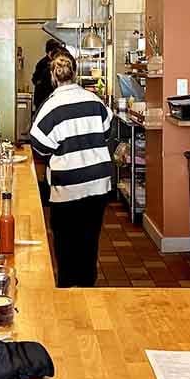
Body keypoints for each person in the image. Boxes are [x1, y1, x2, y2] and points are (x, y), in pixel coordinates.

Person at [29, 51, 113, 287]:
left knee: (66, 241)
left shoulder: (50, 107)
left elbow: (40, 146)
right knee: (90, 238)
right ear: (74, 73)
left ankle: (68, 288)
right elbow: (106, 132)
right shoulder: (95, 101)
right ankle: (88, 286)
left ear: (53, 78)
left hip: (67, 186)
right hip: (98, 183)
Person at [31, 39, 61, 111]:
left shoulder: (52, 63)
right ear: (49, 52)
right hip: (42, 99)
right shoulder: (43, 64)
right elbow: (34, 80)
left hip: (47, 99)